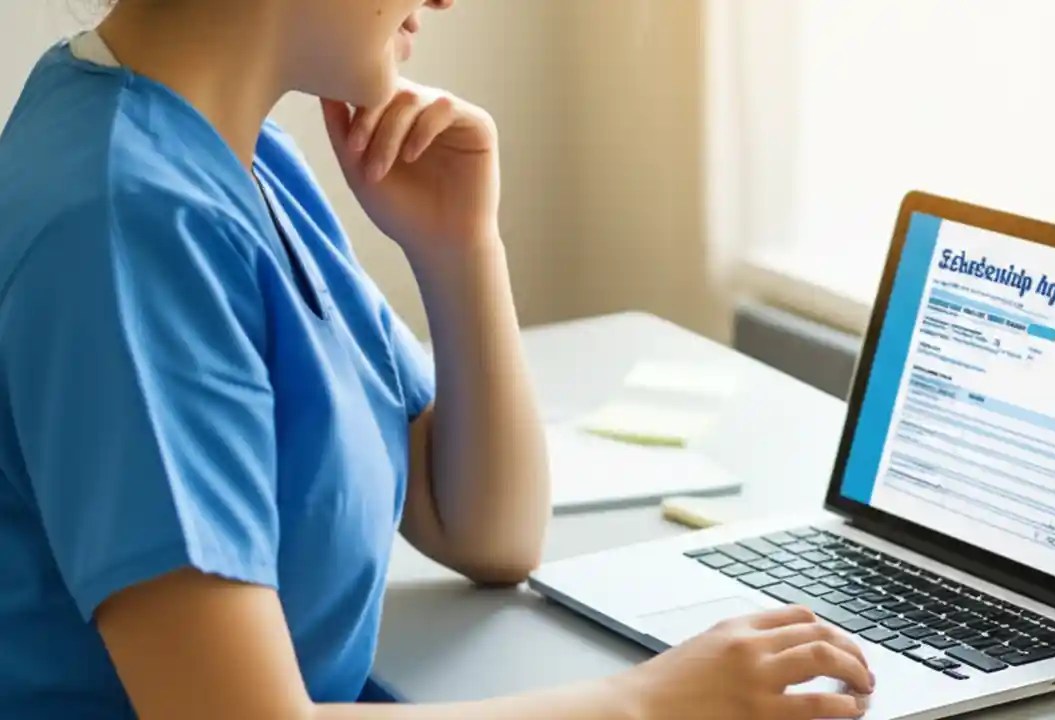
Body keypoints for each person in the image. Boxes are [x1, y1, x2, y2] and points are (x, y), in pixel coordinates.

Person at [0, 0, 874, 717]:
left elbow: (486, 529)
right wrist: (646, 706)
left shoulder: (245, 157)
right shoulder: (125, 224)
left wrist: (461, 252)